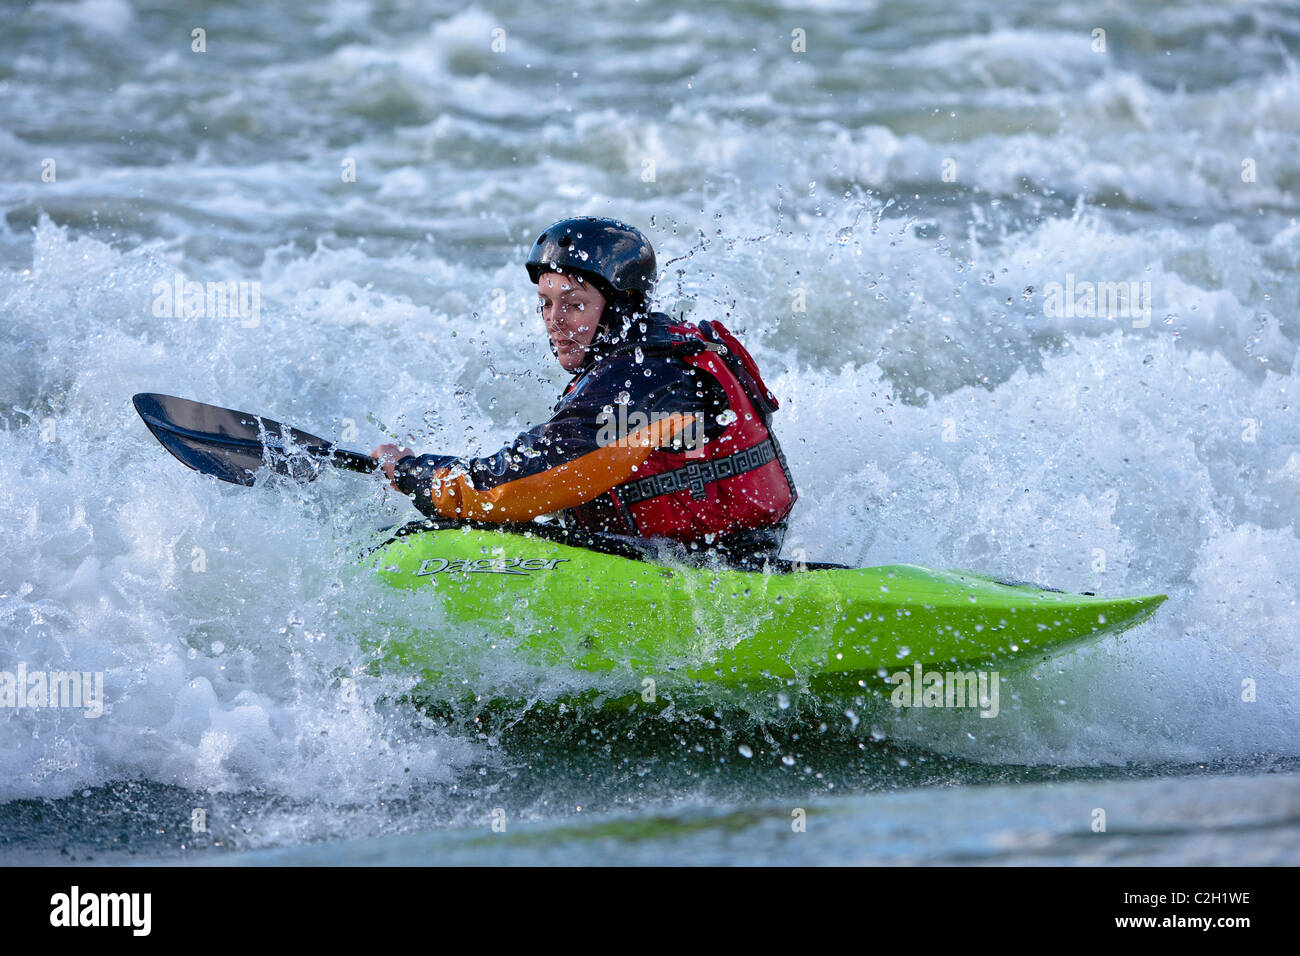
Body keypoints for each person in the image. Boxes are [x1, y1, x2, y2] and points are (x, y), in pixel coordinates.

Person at [370, 216, 797, 568]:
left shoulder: (644, 377)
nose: (554, 320)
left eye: (574, 304)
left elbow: (528, 478)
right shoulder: (661, 351)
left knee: (432, 543)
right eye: (545, 302)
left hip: (712, 577)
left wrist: (420, 475)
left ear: (618, 306)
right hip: (725, 554)